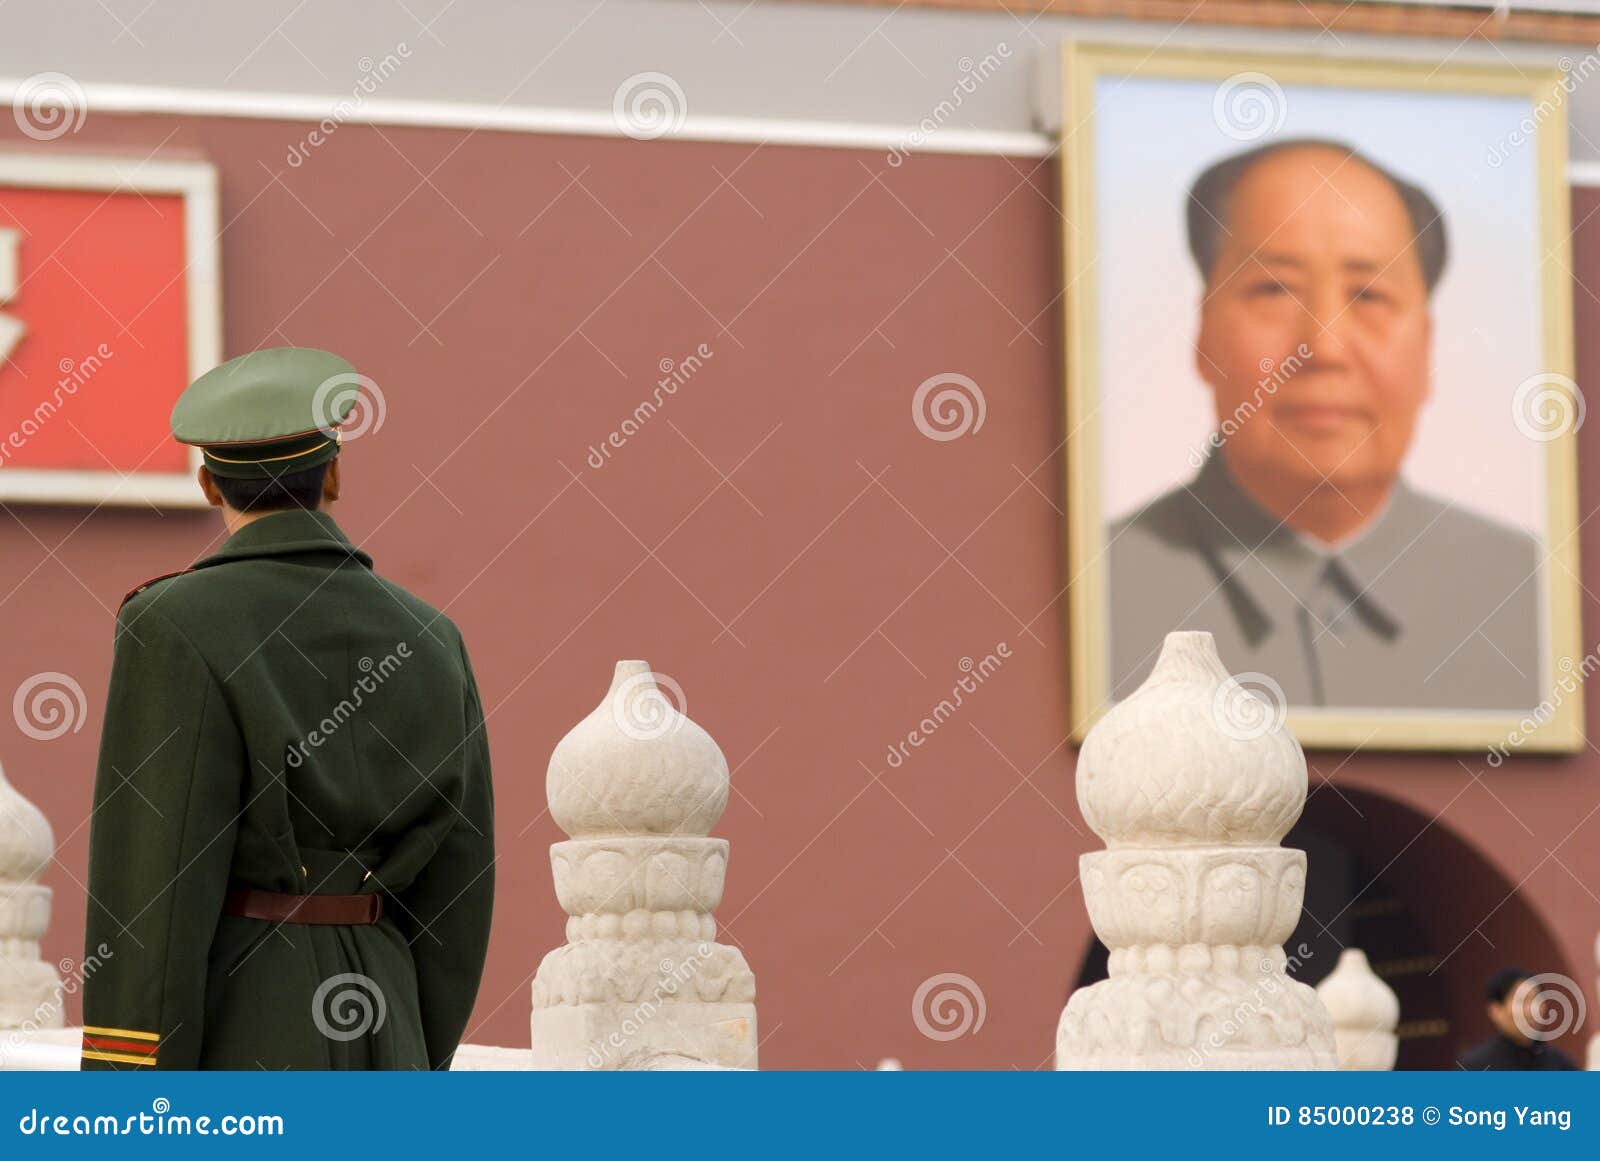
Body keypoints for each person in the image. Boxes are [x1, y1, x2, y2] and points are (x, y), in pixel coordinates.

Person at [79, 347, 495, 1070]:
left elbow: (157, 888)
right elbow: (461, 881)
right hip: (387, 1023)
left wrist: (128, 1097)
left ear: (209, 484)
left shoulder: (173, 625)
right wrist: (410, 1047)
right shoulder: (433, 637)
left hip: (247, 1031)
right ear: (335, 471)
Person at [1109, 138, 1540, 710]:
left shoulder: (1532, 597)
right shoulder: (1099, 592)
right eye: (1273, 289)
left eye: (1370, 295)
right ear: (1204, 331)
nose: (1325, 347)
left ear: (1428, 347)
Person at [1458, 967, 1578, 1070]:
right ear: (1495, 1010)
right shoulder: (1475, 1066)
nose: (1530, 1010)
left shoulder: (1560, 1064)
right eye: (1521, 1001)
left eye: (1535, 999)